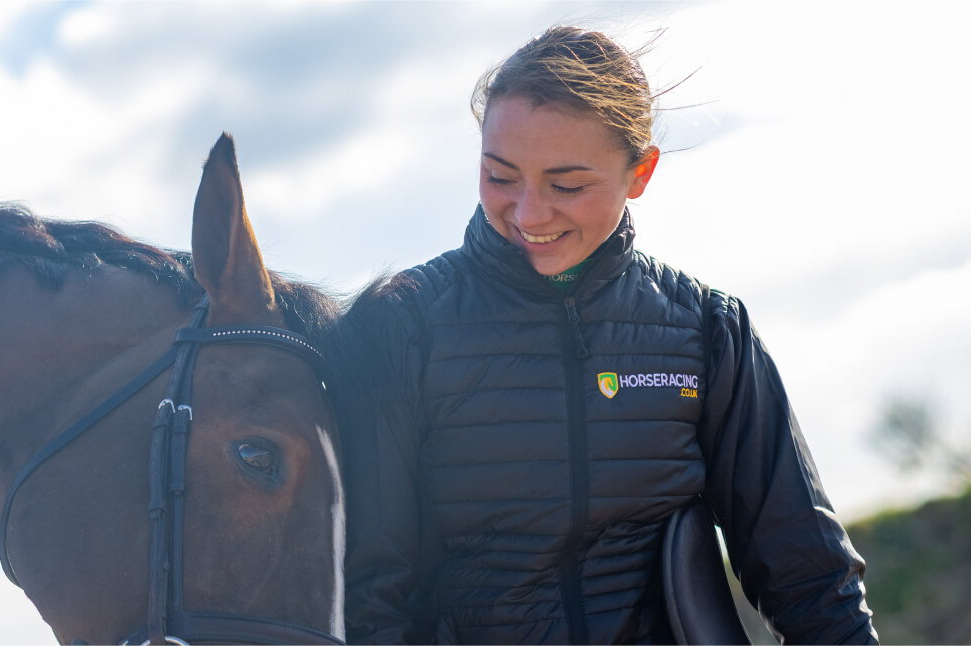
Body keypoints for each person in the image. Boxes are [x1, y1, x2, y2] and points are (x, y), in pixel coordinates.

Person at [337, 25, 877, 644]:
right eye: (500, 176)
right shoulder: (400, 325)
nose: (529, 213)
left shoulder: (708, 331)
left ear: (640, 172)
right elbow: (368, 596)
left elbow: (809, 576)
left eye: (567, 185)